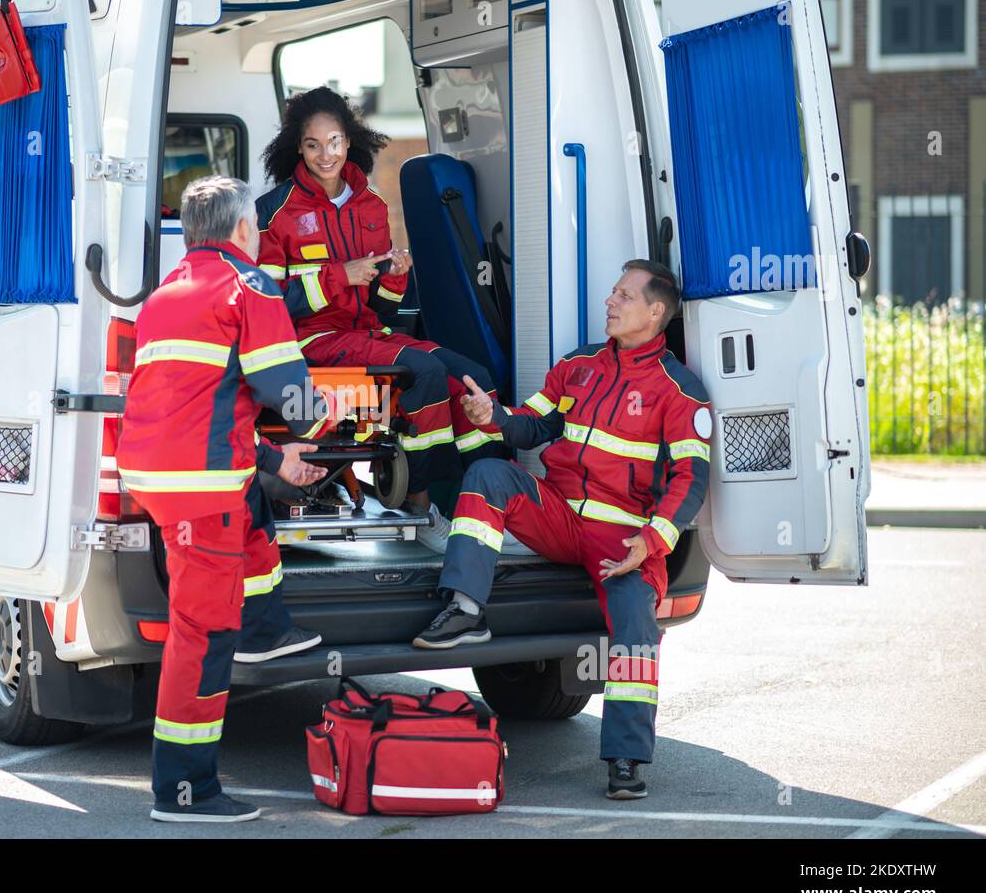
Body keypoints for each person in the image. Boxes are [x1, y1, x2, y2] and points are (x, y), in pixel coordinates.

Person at [413, 260, 712, 800]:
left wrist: (650, 542)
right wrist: (493, 418)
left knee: (635, 631)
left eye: (623, 295)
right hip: (557, 514)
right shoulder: (577, 365)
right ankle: (465, 608)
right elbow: (535, 424)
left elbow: (693, 479)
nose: (610, 302)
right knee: (487, 474)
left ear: (655, 312)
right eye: (612, 292)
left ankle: (626, 757)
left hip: (621, 540)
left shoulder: (679, 389)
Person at [116, 175, 337, 823]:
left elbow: (199, 405)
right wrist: (331, 432)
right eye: (259, 228)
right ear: (245, 230)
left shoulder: (167, 293)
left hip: (161, 471)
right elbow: (285, 390)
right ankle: (185, 790)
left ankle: (265, 632)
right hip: (198, 486)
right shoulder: (251, 286)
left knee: (254, 511)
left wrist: (270, 462)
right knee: (201, 632)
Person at [255, 86, 509, 545]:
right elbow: (268, 302)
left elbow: (384, 310)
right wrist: (339, 276)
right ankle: (421, 507)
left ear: (349, 140)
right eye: (313, 144)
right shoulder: (274, 213)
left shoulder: (371, 203)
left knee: (474, 377)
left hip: (369, 332)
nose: (325, 154)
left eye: (334, 141)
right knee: (426, 372)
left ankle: (487, 506)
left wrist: (394, 276)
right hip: (310, 341)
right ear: (298, 146)